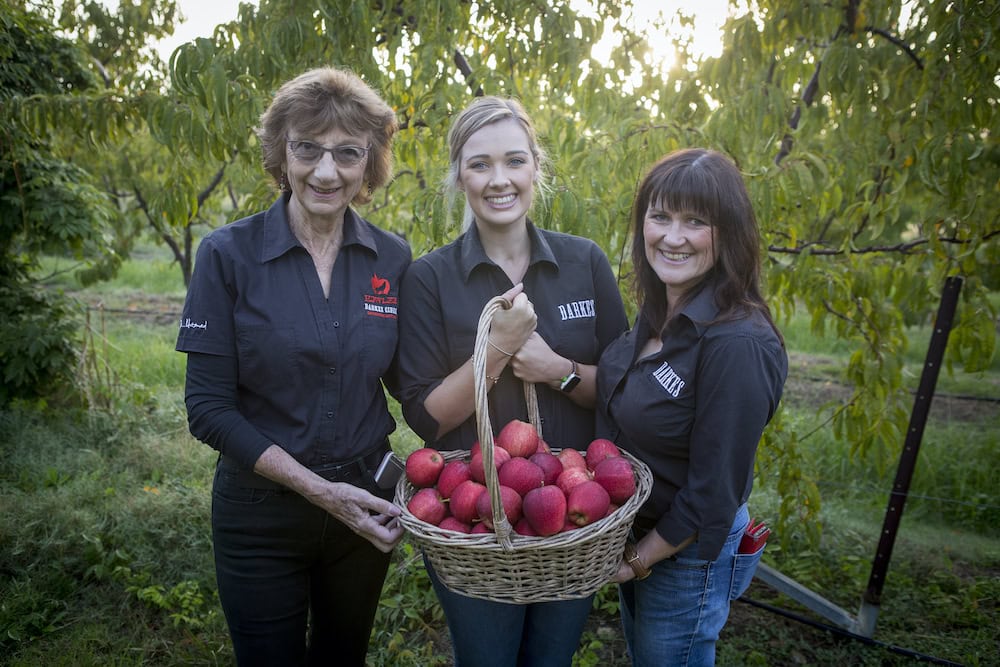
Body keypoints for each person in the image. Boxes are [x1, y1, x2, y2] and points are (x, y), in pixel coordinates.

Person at [175, 67, 410, 666]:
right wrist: (319, 491)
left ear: (370, 163)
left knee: (343, 656)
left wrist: (500, 354)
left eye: (348, 153)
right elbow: (207, 408)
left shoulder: (392, 258)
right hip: (261, 511)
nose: (326, 172)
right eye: (308, 148)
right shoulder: (227, 255)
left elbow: (413, 385)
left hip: (365, 500)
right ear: (282, 153)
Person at [396, 95, 629, 666]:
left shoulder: (584, 262)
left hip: (572, 515)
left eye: (514, 161)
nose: (499, 179)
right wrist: (496, 349)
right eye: (480, 164)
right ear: (459, 176)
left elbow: (626, 392)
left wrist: (558, 371)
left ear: (535, 168)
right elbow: (427, 418)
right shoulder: (429, 278)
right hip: (474, 519)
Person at [595, 148, 788, 666]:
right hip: (642, 536)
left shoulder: (736, 343)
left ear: (728, 234)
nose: (673, 237)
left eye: (695, 222)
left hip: (682, 556)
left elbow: (713, 491)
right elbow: (632, 402)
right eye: (660, 216)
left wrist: (638, 559)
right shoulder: (660, 313)